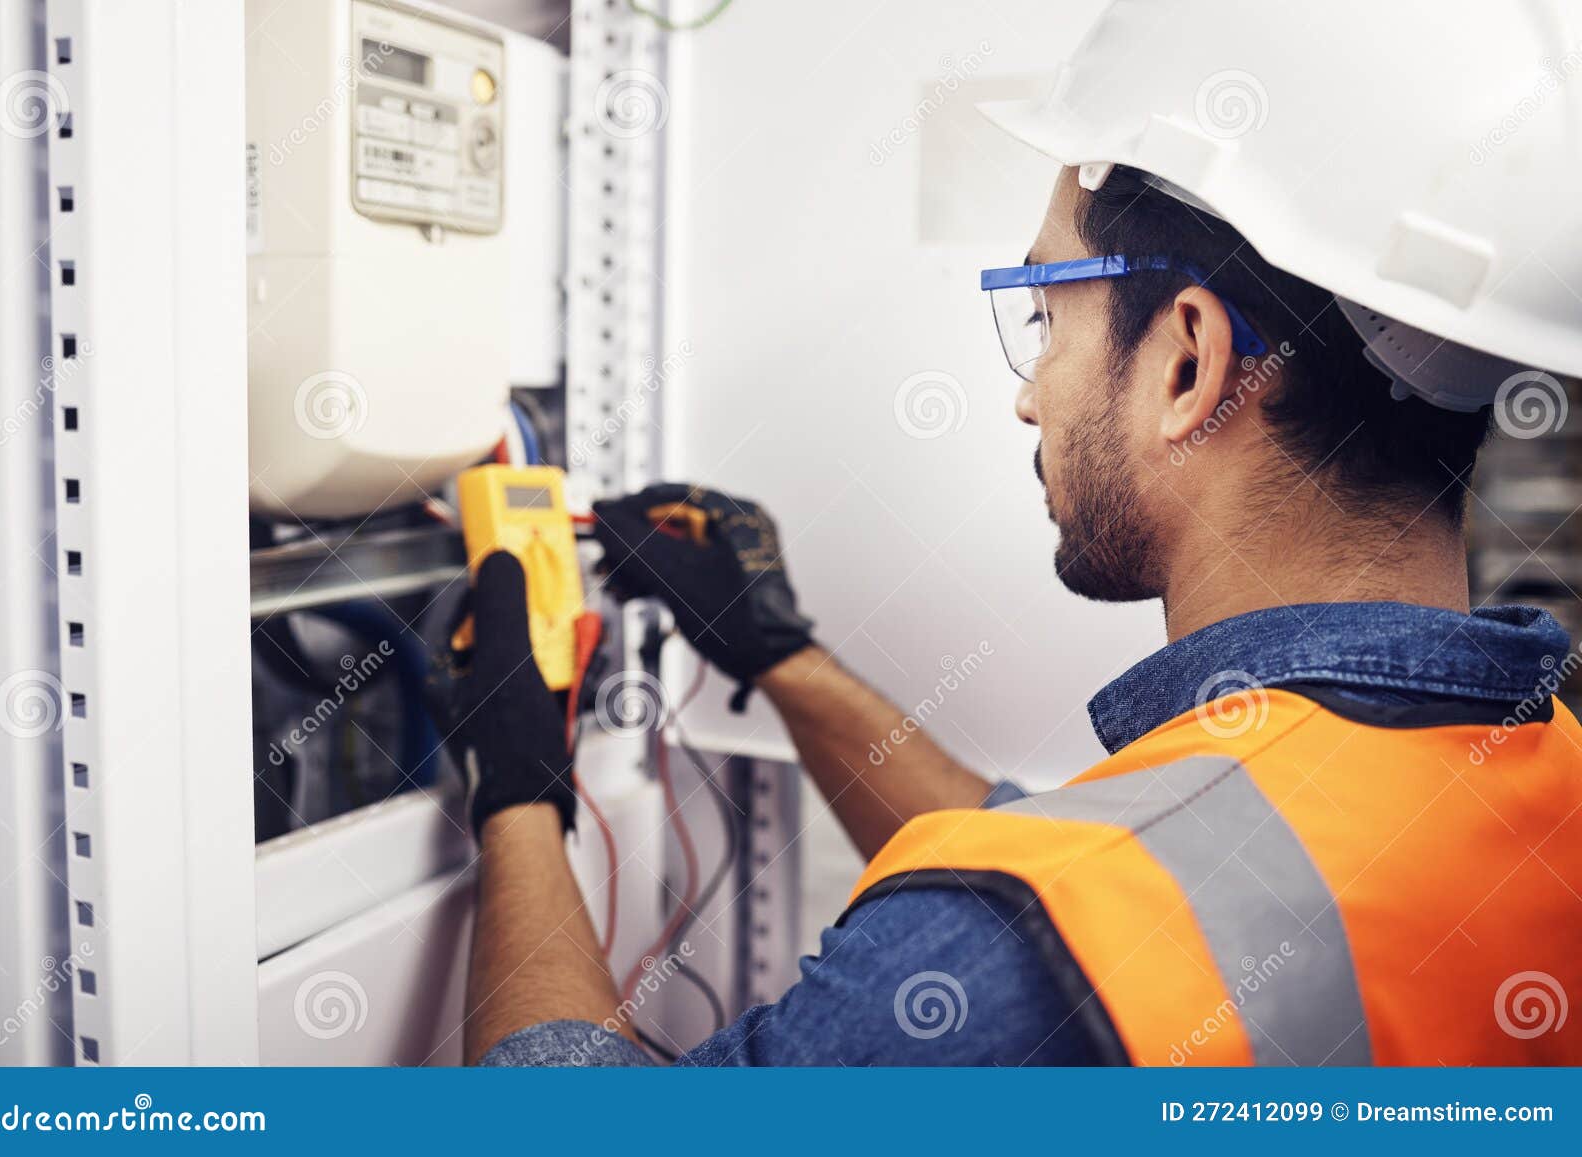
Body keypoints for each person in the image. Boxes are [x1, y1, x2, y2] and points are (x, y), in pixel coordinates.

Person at [442, 0, 1582, 1065]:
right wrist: (778, 652)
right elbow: (1125, 872)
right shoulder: (1538, 768)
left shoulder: (1006, 949)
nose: (1029, 393)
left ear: (1187, 361)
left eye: (1044, 312)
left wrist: (516, 788)